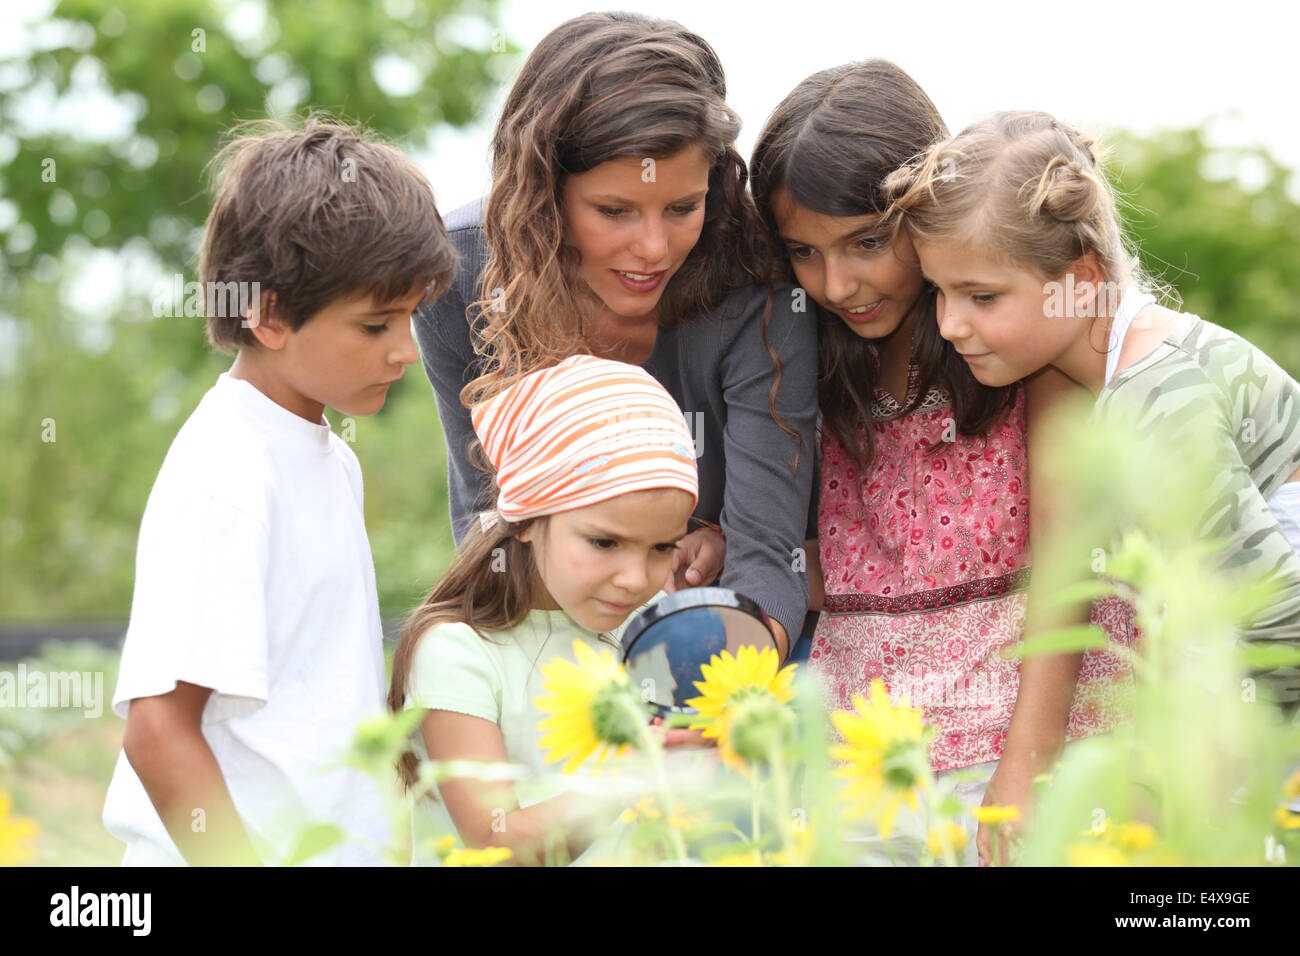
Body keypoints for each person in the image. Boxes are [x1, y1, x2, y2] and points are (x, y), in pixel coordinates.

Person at [750, 65, 1135, 865]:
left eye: (867, 242)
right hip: (866, 753)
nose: (837, 283)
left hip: (1012, 737)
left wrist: (1027, 766)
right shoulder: (815, 356)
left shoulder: (1016, 346)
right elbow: (885, 565)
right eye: (803, 253)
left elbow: (1070, 563)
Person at [885, 107, 1300, 844]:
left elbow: (1274, 623)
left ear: (1078, 281)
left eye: (981, 296)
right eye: (938, 294)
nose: (949, 324)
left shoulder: (1154, 397)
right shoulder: (1113, 369)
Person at [101, 117, 456, 866]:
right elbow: (158, 730)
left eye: (410, 318)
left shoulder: (327, 456)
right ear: (265, 314)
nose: (405, 351)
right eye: (374, 324)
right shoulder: (227, 467)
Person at [413, 11, 818, 659]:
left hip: (725, 642)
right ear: (543, 193)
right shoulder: (458, 277)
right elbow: (489, 530)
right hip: (547, 639)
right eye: (614, 211)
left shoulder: (758, 292)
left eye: (683, 207)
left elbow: (769, 556)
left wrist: (716, 703)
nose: (654, 249)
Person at [388, 355, 700, 866]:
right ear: (528, 519)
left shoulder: (649, 626)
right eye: (605, 542)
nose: (635, 578)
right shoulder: (457, 651)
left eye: (662, 548)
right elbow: (498, 847)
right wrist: (636, 776)